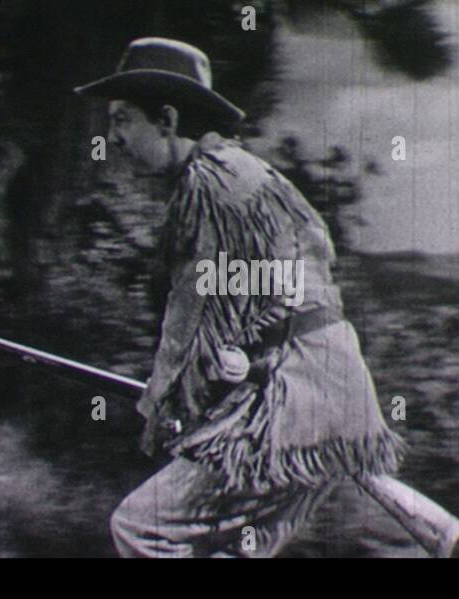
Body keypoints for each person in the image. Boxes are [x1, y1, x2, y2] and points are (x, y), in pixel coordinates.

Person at [75, 37, 407, 557]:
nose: (110, 137)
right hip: (336, 403)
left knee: (142, 528)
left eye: (121, 120)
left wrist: (163, 407)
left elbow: (192, 323)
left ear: (165, 119)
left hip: (289, 408)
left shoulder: (208, 187)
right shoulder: (250, 174)